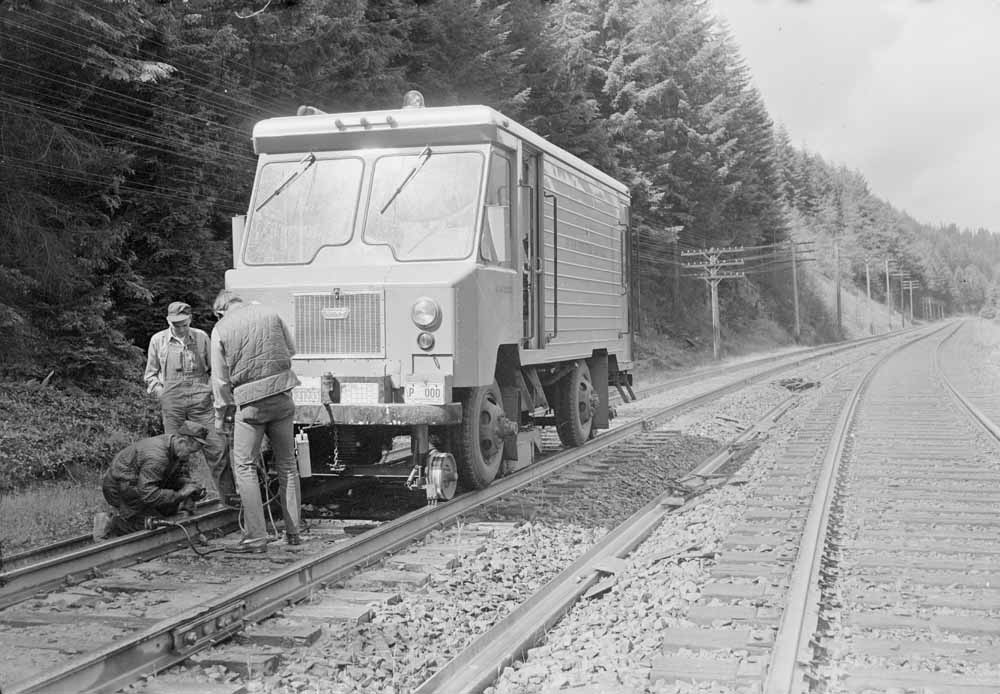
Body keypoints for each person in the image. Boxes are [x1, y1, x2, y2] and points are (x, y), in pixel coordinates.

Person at [210, 290, 302, 553]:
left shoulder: (220, 328)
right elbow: (292, 349)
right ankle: (294, 533)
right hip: (283, 397)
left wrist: (221, 415)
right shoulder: (270, 313)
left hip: (251, 405)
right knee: (287, 465)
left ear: (220, 309)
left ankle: (256, 538)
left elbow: (220, 380)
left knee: (245, 467)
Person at [144, 300, 236, 504]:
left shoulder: (202, 338)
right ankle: (178, 503)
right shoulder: (158, 340)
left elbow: (216, 370)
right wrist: (162, 394)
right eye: (176, 324)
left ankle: (229, 502)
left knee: (217, 448)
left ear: (190, 319)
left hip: (201, 403)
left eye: (184, 323)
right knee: (174, 456)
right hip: (173, 403)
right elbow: (150, 375)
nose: (180, 328)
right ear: (168, 321)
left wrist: (211, 391)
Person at [93, 421, 209, 539]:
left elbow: (173, 476)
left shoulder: (175, 447)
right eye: (190, 452)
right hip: (122, 488)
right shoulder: (157, 457)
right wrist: (181, 494)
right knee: (155, 525)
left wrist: (189, 486)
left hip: (142, 484)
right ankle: (112, 523)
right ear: (181, 441)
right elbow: (148, 494)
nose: (190, 456)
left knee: (170, 512)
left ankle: (146, 514)